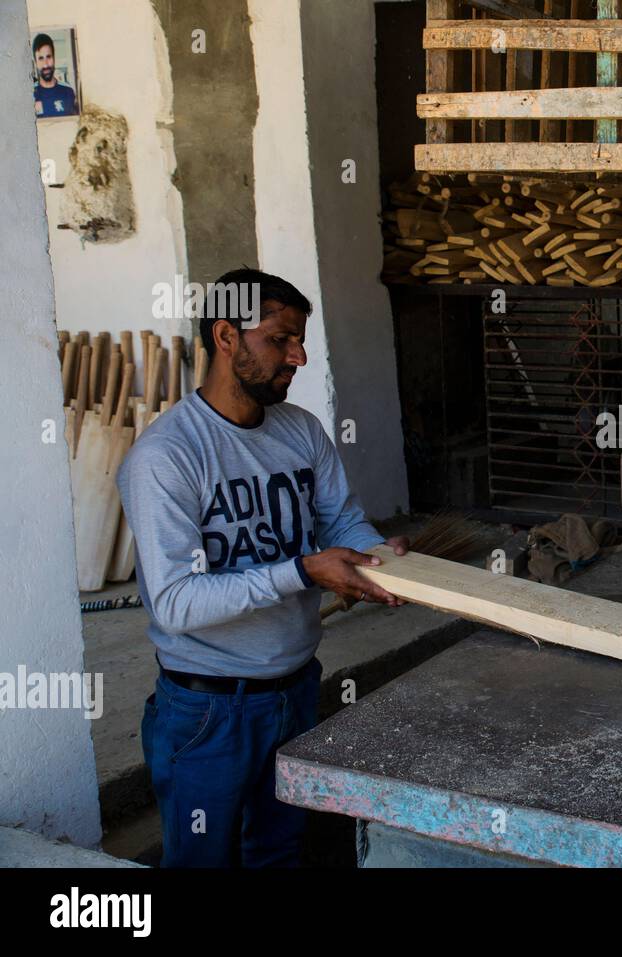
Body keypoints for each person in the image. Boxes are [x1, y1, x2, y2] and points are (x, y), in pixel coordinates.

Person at [117, 268, 409, 867]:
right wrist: (302, 572)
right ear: (226, 337)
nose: (298, 355)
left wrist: (381, 560)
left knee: (279, 854)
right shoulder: (167, 456)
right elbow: (175, 605)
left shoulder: (300, 431)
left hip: (295, 692)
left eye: (300, 339)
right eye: (280, 339)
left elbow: (341, 523)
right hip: (207, 713)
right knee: (204, 863)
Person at [32, 33, 78, 117]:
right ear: (35, 62)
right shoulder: (30, 95)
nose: (45, 64)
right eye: (41, 58)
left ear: (54, 58)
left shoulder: (68, 91)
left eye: (48, 57)